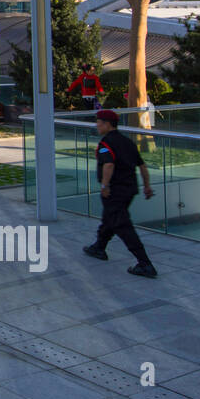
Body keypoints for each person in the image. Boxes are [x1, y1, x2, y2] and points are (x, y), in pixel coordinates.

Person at [83, 109, 158, 278]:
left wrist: (105, 185)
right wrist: (147, 186)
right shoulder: (128, 142)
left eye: (99, 122)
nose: (97, 125)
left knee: (122, 225)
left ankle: (144, 263)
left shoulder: (105, 145)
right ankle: (99, 247)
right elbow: (142, 166)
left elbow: (108, 165)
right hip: (130, 189)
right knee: (110, 218)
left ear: (107, 124)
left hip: (114, 190)